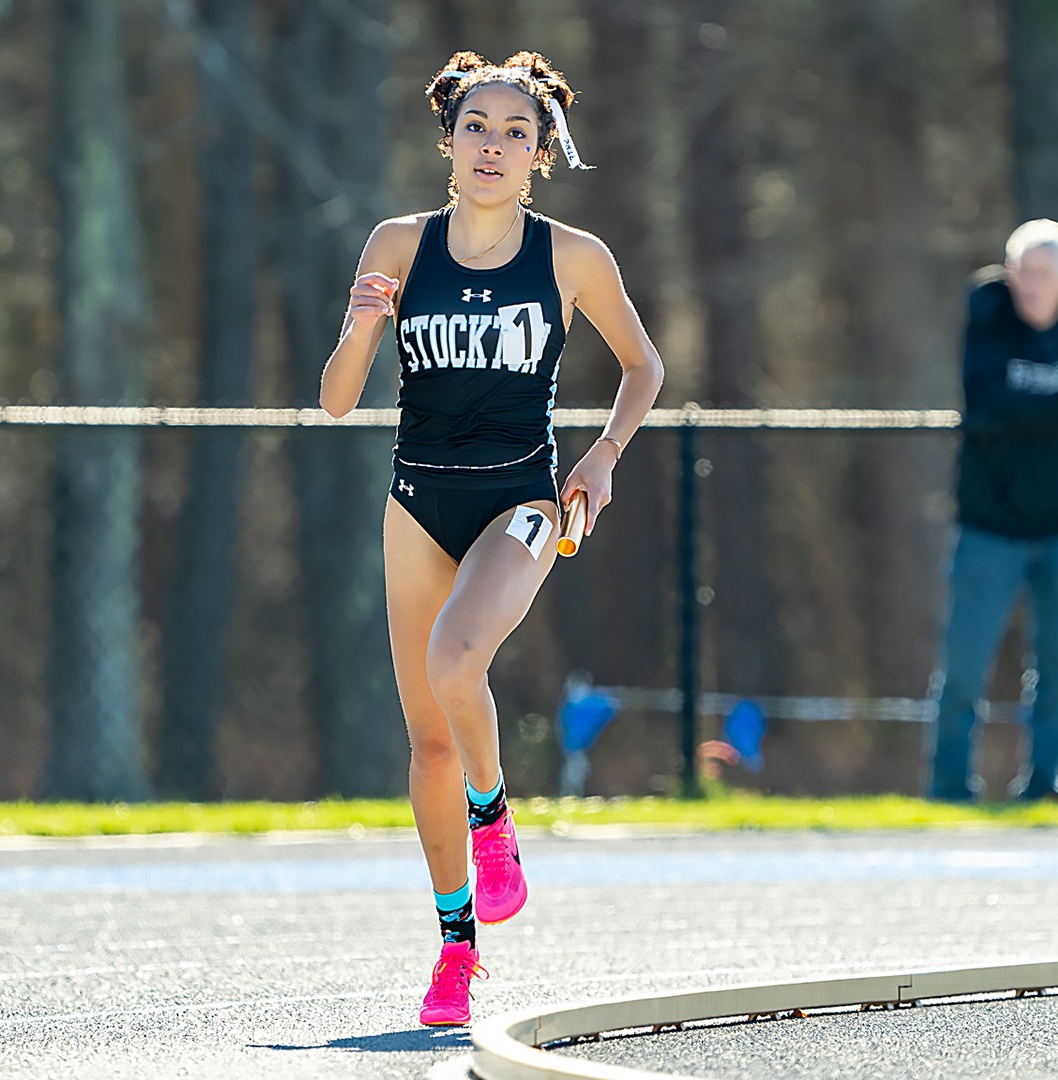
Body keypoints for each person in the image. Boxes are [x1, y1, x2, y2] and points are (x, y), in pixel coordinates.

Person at [317, 50, 664, 1025]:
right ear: (448, 140)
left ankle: (494, 811)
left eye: (518, 132)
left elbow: (643, 366)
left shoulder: (571, 256)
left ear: (542, 154)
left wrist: (601, 459)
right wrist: (358, 325)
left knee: (457, 660)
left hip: (522, 500)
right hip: (416, 502)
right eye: (478, 127)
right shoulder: (396, 243)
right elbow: (337, 403)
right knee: (427, 740)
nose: (494, 146)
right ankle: (455, 950)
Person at [928, 219, 1058, 803]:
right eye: (1022, 270)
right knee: (965, 671)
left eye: (1045, 273)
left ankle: (1046, 780)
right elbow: (991, 402)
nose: (1030, 284)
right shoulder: (988, 312)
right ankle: (948, 788)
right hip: (988, 527)